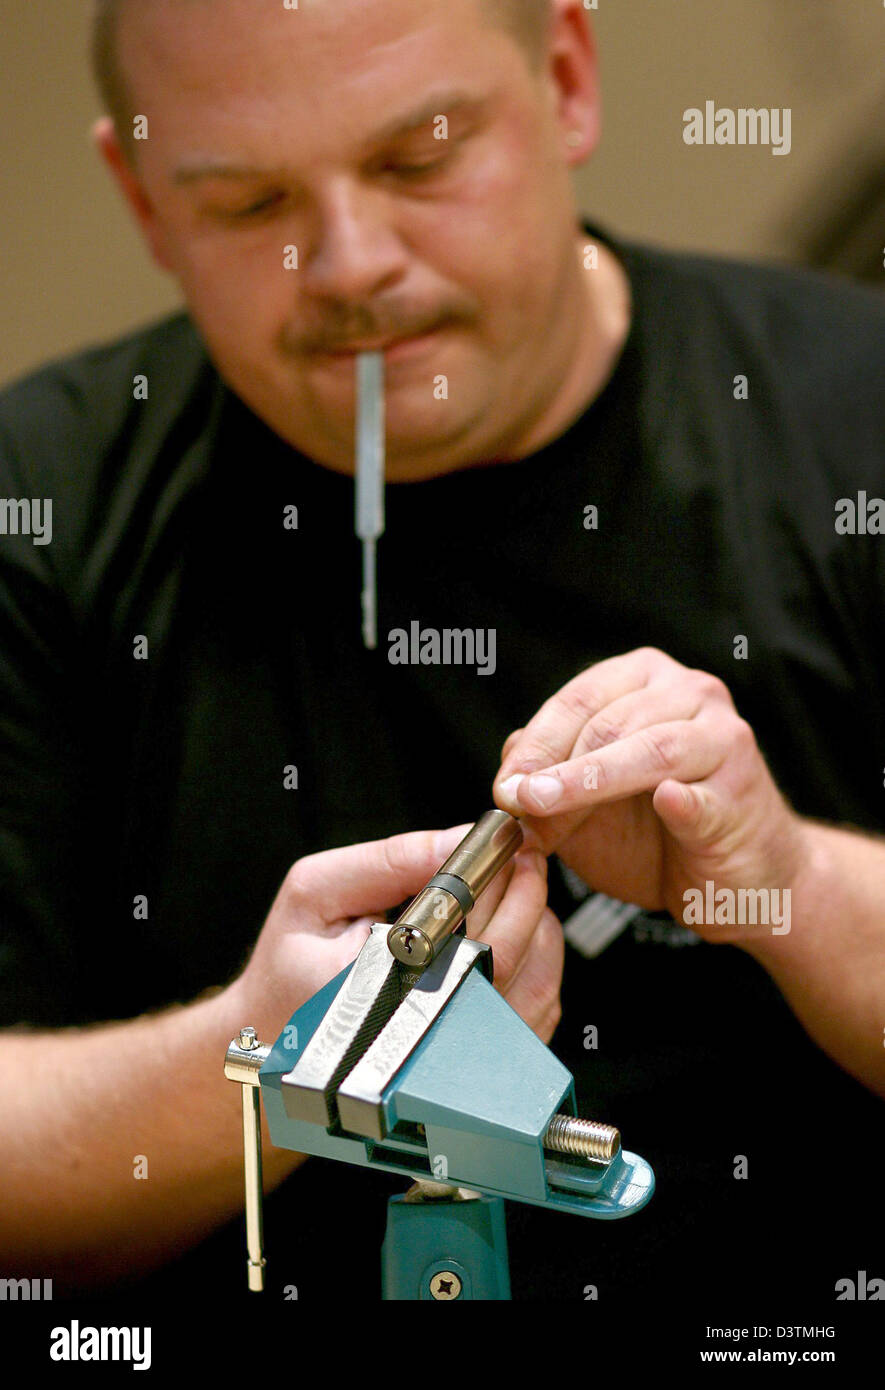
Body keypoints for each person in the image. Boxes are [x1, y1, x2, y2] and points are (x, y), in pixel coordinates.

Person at [0, 0, 882, 1307]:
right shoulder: (43, 502)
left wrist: (788, 880)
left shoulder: (855, 415)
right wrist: (269, 1057)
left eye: (419, 157)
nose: (350, 261)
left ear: (568, 78)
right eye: (249, 204)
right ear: (140, 197)